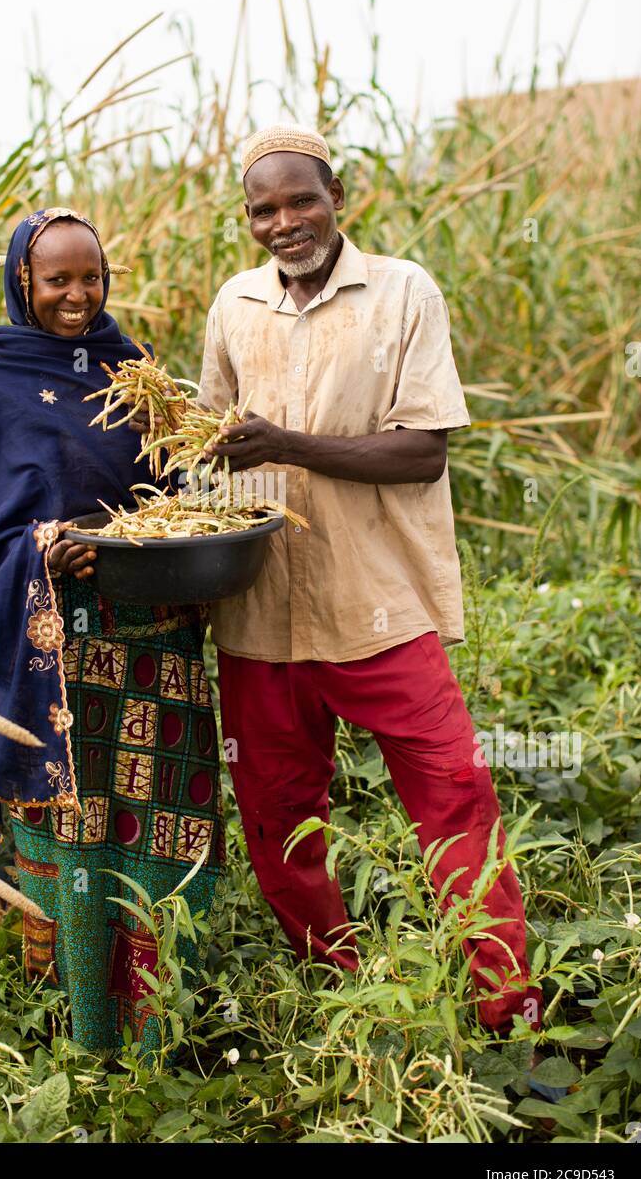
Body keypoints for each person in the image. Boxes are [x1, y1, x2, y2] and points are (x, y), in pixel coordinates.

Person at [197, 125, 543, 1039]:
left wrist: (288, 446)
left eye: (300, 199)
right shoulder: (233, 305)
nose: (284, 222)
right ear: (248, 219)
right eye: (263, 209)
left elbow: (423, 453)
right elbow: (204, 451)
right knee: (278, 821)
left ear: (337, 194)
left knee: (456, 802)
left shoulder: (401, 292)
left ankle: (508, 1012)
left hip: (379, 610)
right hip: (260, 615)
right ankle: (343, 994)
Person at [0, 207, 226, 1058]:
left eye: (91, 277)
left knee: (157, 813)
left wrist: (188, 516)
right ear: (23, 280)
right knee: (76, 821)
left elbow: (177, 481)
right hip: (56, 653)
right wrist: (46, 549)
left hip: (153, 639)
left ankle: (160, 1016)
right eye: (57, 280)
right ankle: (79, 1018)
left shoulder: (131, 366)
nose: (77, 296)